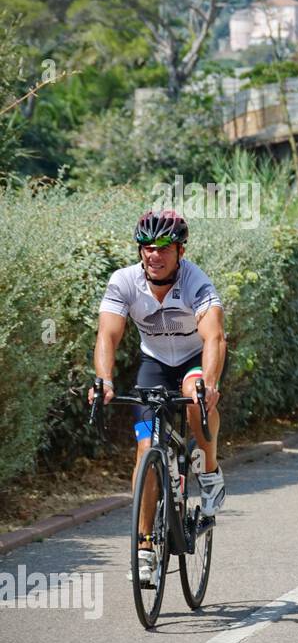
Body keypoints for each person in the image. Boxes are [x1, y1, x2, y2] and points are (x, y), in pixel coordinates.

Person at [91, 210, 227, 584]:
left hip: (193, 362)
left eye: (164, 248)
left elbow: (214, 336)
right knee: (147, 445)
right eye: (148, 248)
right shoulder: (124, 282)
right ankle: (145, 545)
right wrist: (103, 379)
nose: (155, 255)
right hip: (153, 364)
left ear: (180, 250)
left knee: (195, 395)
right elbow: (108, 335)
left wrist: (210, 383)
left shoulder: (196, 282)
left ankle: (210, 470)